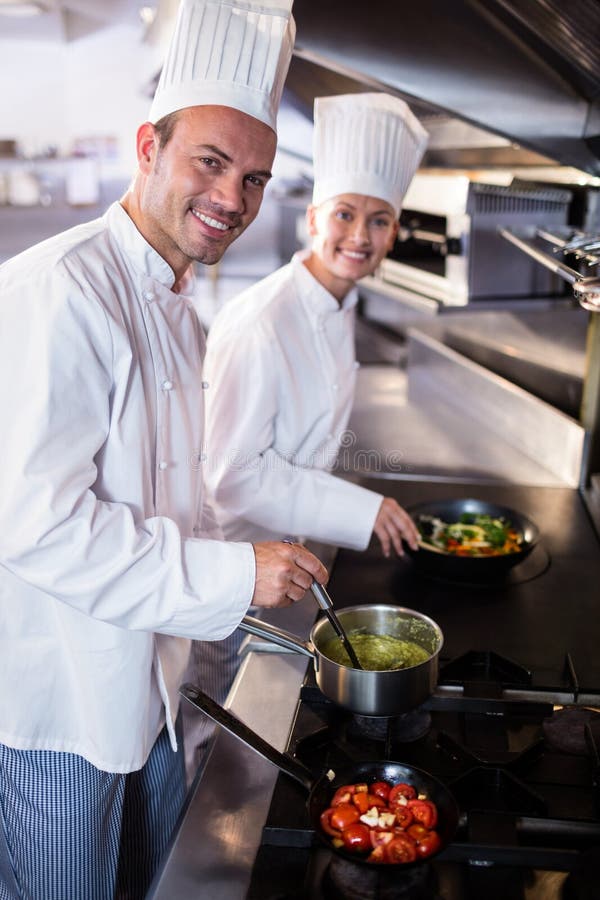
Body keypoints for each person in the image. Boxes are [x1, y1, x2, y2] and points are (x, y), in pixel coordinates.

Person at [0, 2, 329, 899]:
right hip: (62, 713)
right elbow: (37, 526)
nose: (233, 198)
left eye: (255, 178)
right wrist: (233, 579)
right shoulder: (58, 293)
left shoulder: (181, 305)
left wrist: (235, 610)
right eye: (210, 162)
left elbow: (178, 504)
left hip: (154, 689)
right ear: (148, 147)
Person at [184, 92, 429, 773]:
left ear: (395, 230)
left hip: (284, 559)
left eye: (379, 220)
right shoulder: (262, 319)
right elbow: (231, 475)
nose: (361, 235)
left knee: (256, 735)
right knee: (221, 747)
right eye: (346, 215)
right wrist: (362, 507)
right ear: (314, 218)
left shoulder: (334, 303)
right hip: (233, 574)